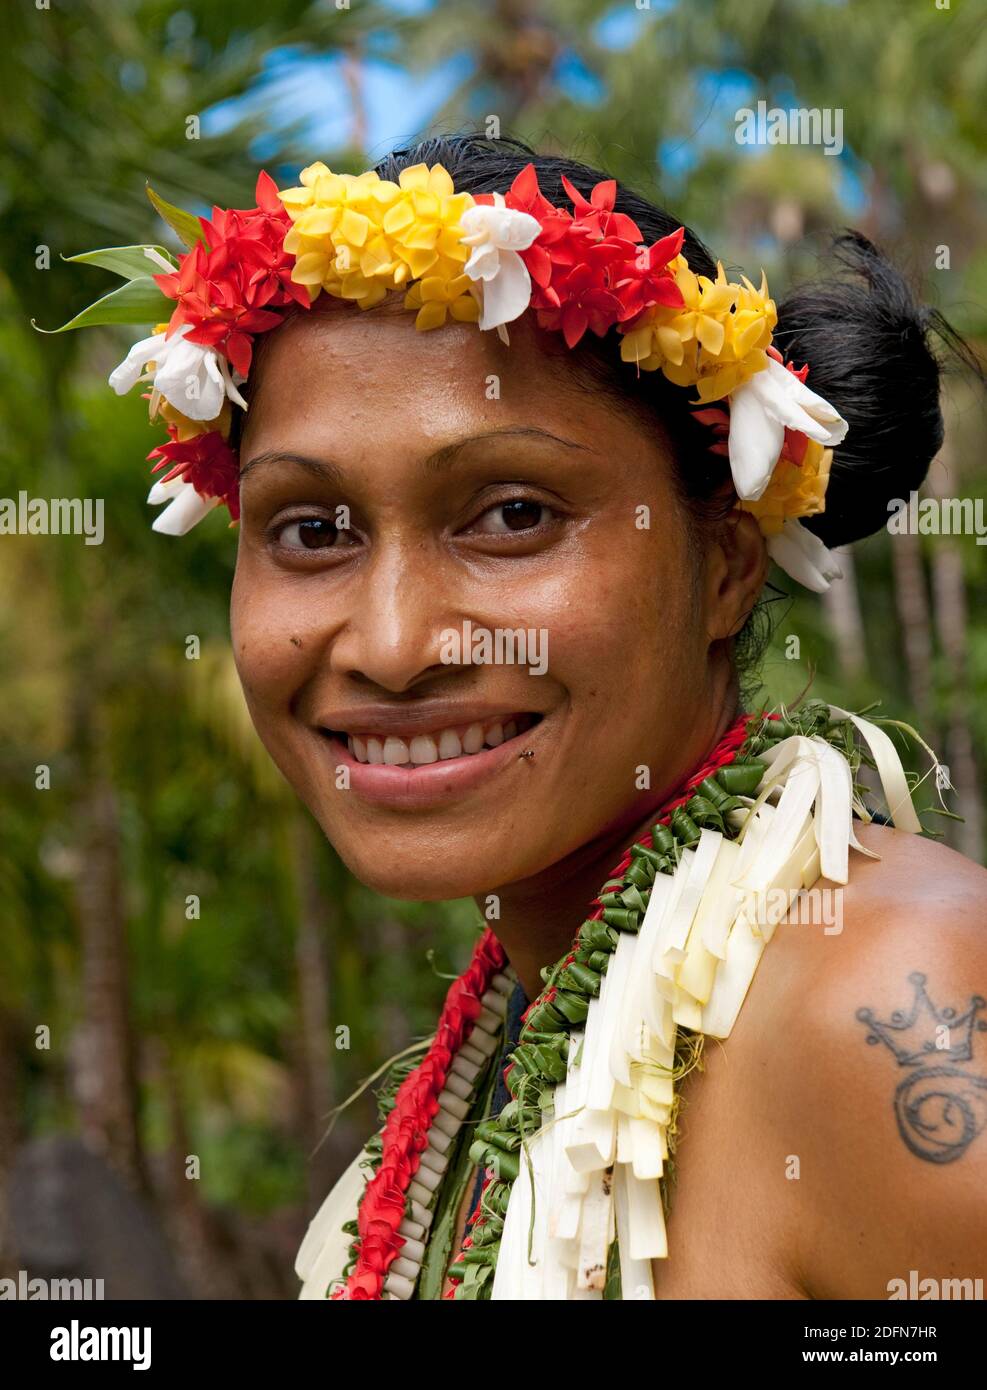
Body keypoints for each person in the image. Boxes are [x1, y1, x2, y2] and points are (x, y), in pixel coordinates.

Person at [50, 133, 987, 1301]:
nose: (391, 646)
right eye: (312, 531)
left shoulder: (888, 1003)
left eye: (510, 515)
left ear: (728, 565)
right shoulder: (519, 1030)